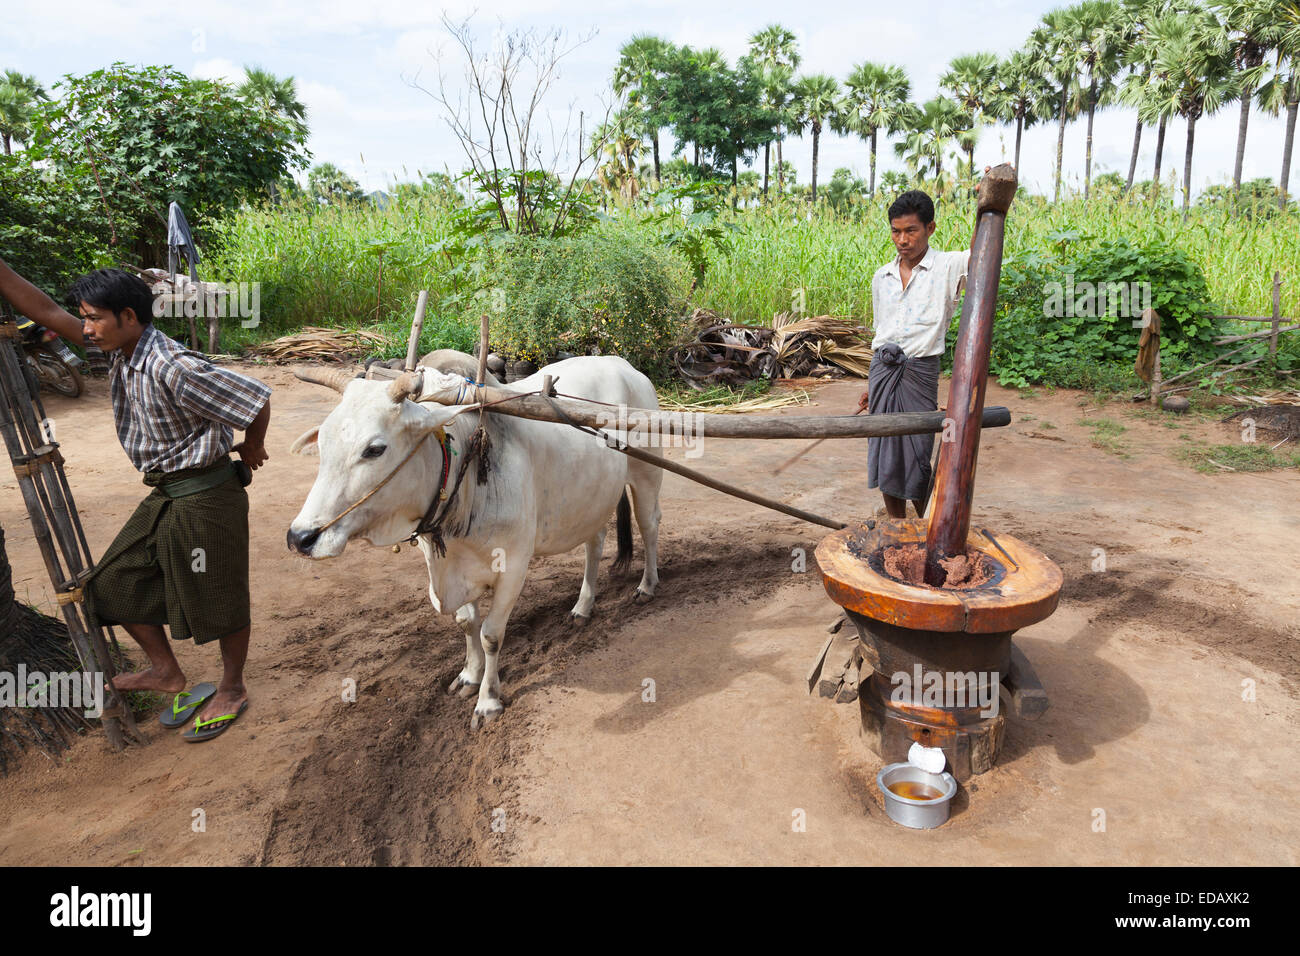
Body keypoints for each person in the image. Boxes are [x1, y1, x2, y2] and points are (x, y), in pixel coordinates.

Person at [0, 259, 270, 742]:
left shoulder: (172, 365)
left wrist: (252, 445)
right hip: (166, 491)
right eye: (84, 317)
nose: (85, 328)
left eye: (93, 318)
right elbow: (44, 311)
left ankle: (232, 687)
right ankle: (166, 671)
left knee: (219, 593)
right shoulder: (121, 349)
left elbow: (255, 395)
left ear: (128, 316)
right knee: (112, 583)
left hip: (207, 494)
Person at [858, 189, 970, 520]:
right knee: (883, 449)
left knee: (918, 451)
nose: (902, 239)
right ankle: (896, 524)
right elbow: (882, 332)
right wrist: (872, 383)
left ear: (930, 228)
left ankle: (927, 527)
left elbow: (985, 251)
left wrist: (988, 201)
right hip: (883, 371)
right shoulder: (882, 276)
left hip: (919, 372)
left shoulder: (947, 266)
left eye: (911, 230)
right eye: (896, 231)